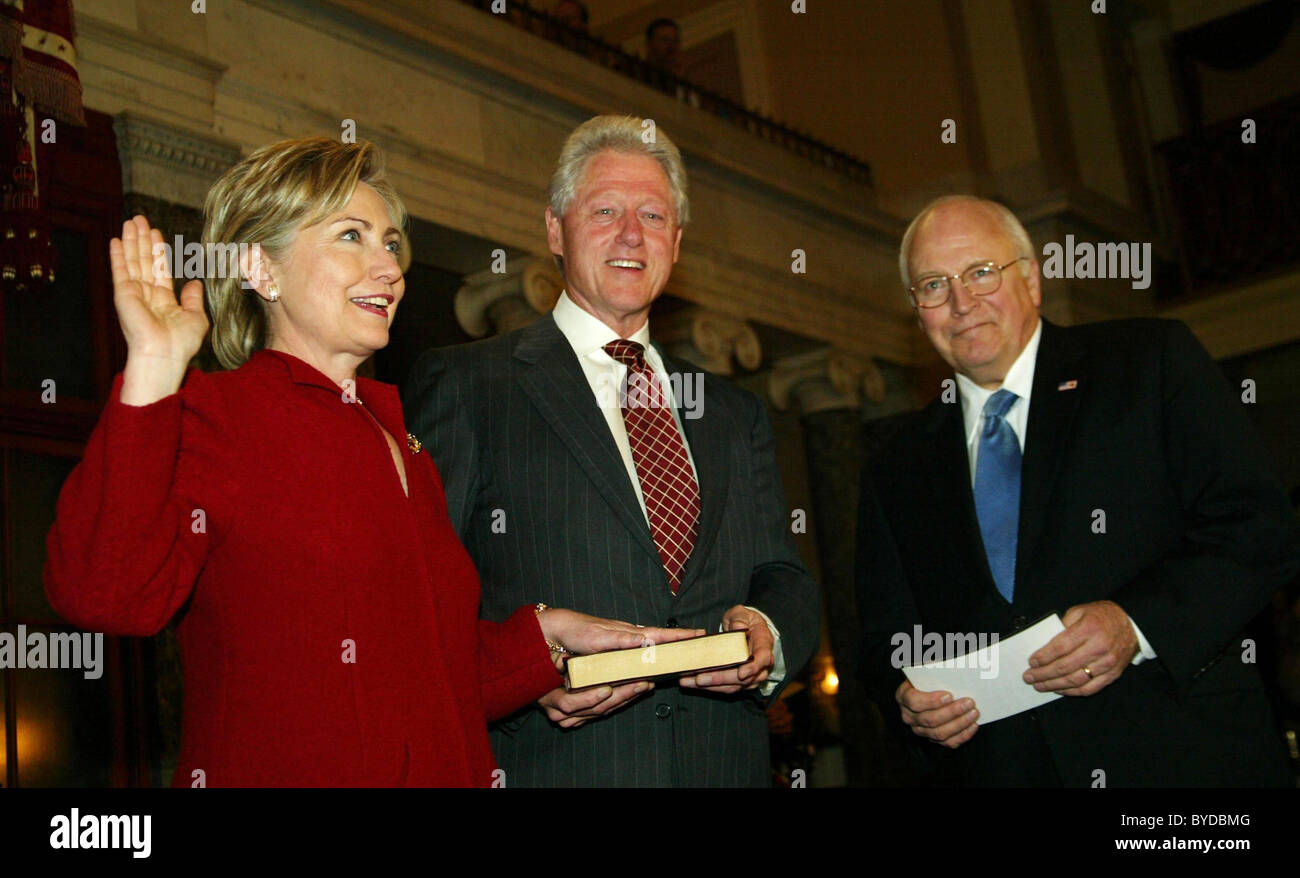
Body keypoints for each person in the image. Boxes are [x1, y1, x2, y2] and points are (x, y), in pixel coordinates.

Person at [43, 136, 695, 787]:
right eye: (351, 236)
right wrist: (153, 369)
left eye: (389, 243)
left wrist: (545, 636)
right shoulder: (217, 413)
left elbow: (430, 682)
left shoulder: (404, 445)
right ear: (260, 269)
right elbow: (107, 596)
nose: (389, 268)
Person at [404, 116, 821, 787]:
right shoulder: (469, 385)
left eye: (653, 215)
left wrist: (767, 629)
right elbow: (420, 597)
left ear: (677, 242)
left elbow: (783, 574)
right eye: (605, 210)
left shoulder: (732, 411)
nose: (632, 234)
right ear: (553, 230)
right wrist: (518, 676)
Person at [856, 195, 1300, 787]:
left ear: (1032, 279)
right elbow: (884, 635)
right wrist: (903, 696)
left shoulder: (1148, 363)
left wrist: (1135, 623)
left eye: (981, 272)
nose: (961, 303)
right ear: (918, 312)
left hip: (1180, 766)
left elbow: (1259, 526)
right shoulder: (896, 464)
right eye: (933, 285)